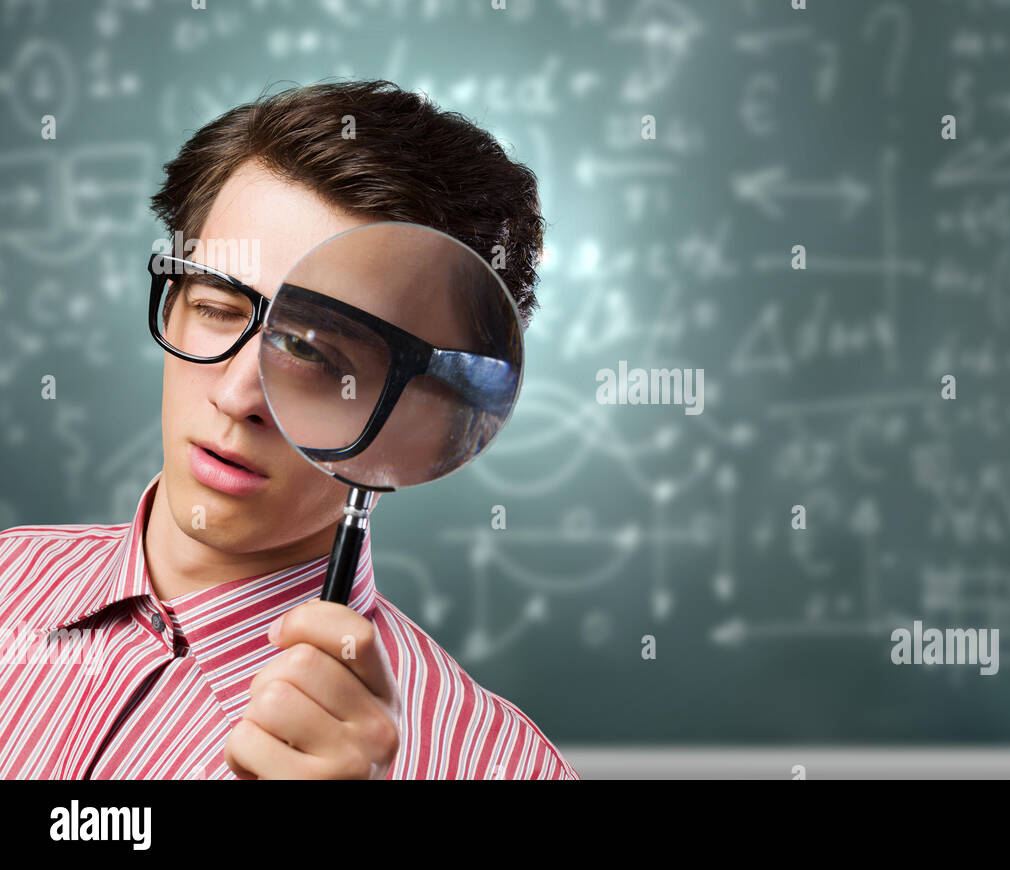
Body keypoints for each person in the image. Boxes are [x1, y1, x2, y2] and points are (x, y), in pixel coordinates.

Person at [0, 80, 577, 780]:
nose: (239, 393)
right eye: (215, 305)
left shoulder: (498, 768)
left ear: (431, 418)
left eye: (313, 352)